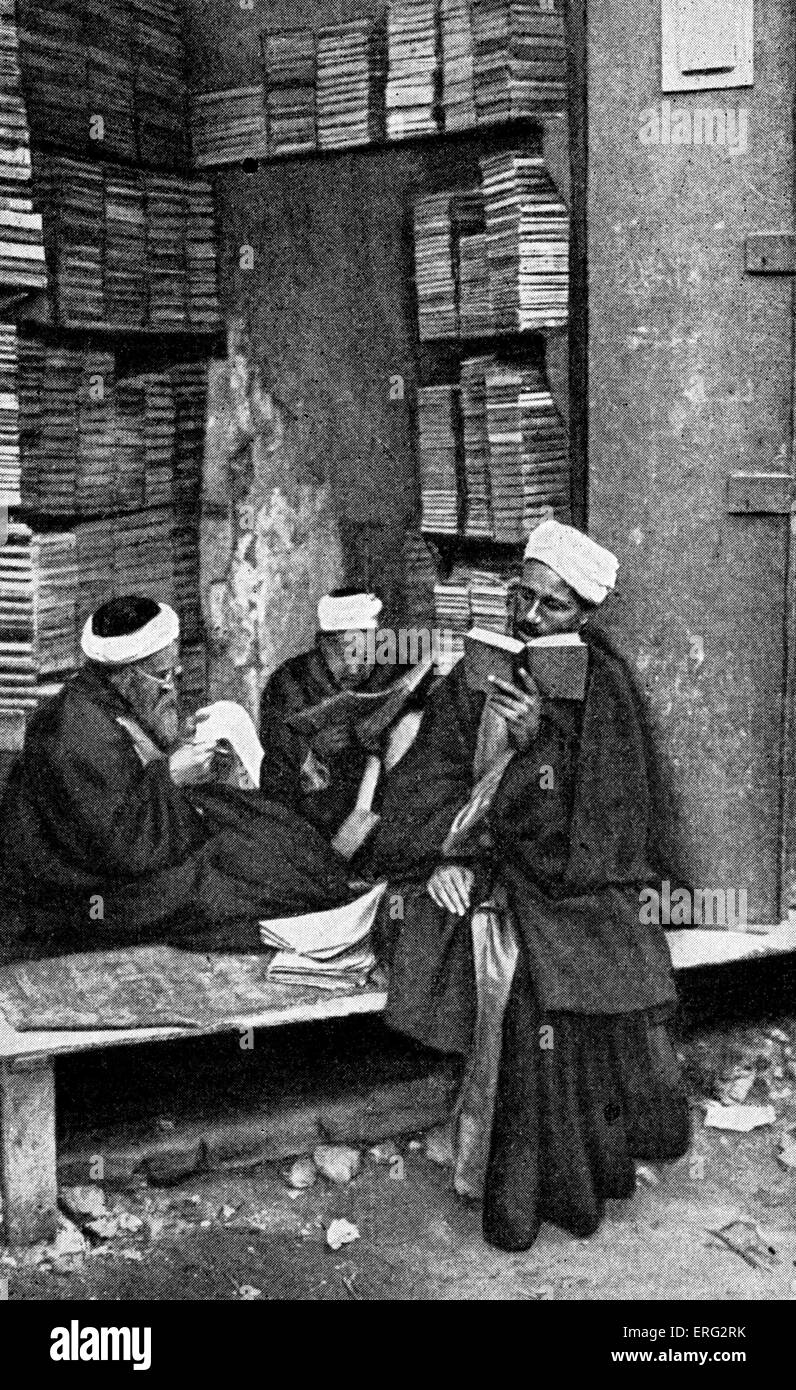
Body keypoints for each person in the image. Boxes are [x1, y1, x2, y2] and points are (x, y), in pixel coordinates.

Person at [367, 519, 691, 1252]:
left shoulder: (604, 686)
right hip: (476, 867)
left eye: (554, 608)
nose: (530, 618)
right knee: (512, 965)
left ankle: (563, 1178)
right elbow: (419, 786)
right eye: (525, 598)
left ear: (586, 614)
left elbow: (607, 822)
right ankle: (528, 1186)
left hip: (568, 875)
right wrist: (444, 856)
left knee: (554, 968)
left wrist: (537, 743)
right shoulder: (479, 670)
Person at [0, 596, 354, 962]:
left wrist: (175, 751)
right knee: (252, 876)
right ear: (125, 674)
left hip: (145, 843)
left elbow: (133, 764)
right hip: (87, 897)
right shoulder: (71, 730)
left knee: (274, 829)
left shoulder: (105, 697)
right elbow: (122, 847)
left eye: (176, 672)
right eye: (163, 676)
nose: (173, 686)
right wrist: (170, 774)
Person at [259, 588, 396, 839]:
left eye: (366, 655)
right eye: (348, 654)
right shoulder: (287, 685)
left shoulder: (381, 674)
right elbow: (277, 777)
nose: (356, 669)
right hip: (307, 819)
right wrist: (314, 754)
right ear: (323, 645)